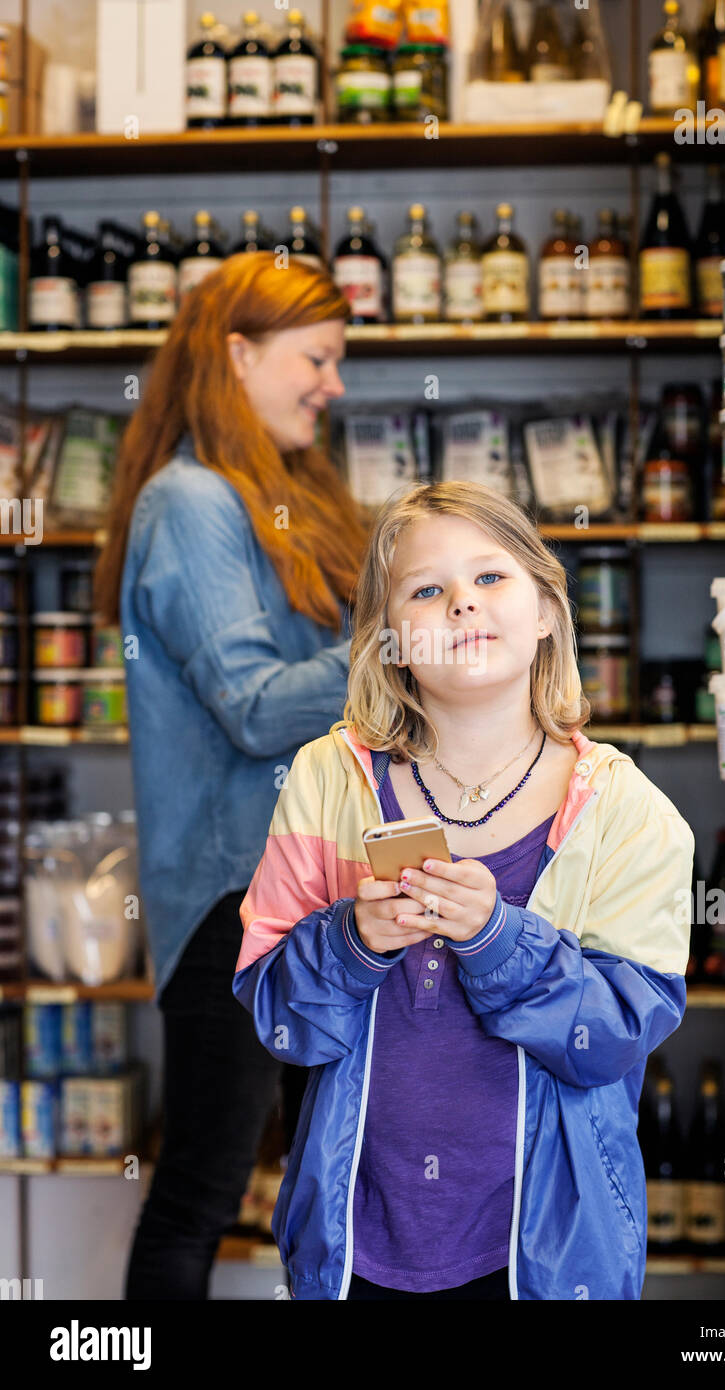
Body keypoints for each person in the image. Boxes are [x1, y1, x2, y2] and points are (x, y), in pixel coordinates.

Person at [232, 478, 694, 1300]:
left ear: (547, 608)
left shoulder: (629, 813)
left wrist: (500, 942)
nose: (461, 605)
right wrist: (351, 942)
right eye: (425, 589)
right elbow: (278, 1019)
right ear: (389, 642)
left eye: (491, 577)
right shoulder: (325, 780)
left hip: (545, 1255)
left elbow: (617, 1035)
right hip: (355, 1244)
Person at [92, 253, 369, 1300]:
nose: (332, 385)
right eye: (317, 359)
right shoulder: (193, 503)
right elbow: (253, 708)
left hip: (306, 891)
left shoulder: (277, 495)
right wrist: (391, 647)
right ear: (238, 355)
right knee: (201, 1192)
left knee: (323, 1179)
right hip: (229, 903)